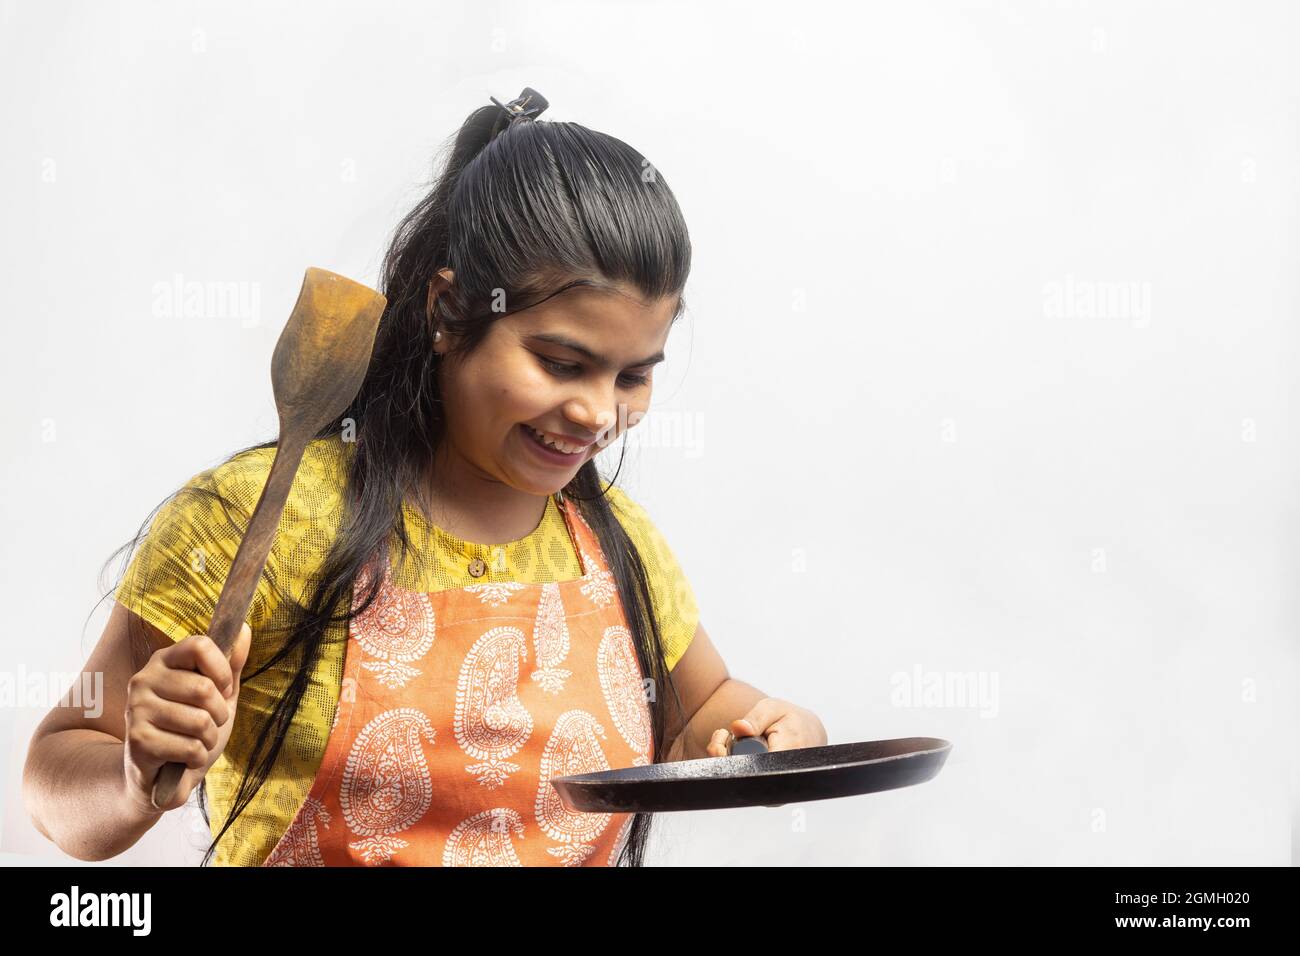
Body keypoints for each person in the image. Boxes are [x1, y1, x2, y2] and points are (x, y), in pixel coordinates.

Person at [23, 88, 828, 867]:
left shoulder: (616, 543)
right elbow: (58, 785)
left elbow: (703, 714)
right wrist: (133, 775)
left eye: (630, 377)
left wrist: (764, 733)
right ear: (448, 312)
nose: (595, 414)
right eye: (560, 363)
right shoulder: (254, 517)